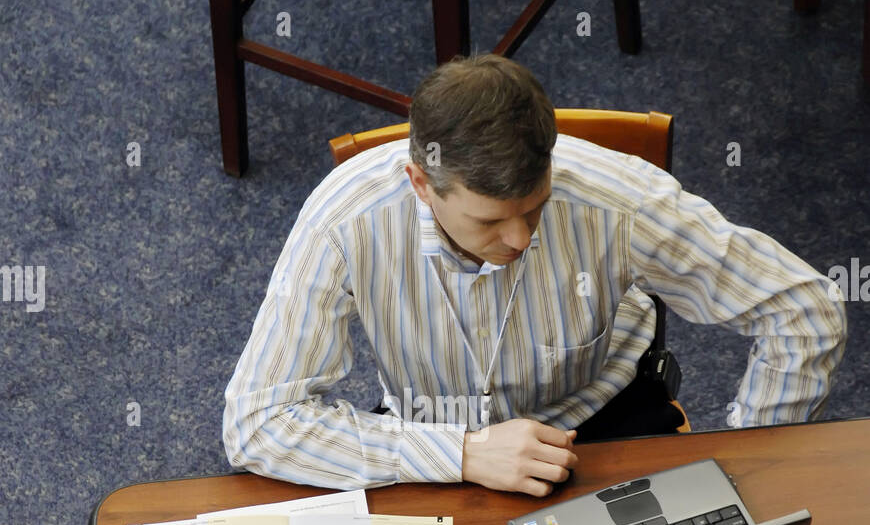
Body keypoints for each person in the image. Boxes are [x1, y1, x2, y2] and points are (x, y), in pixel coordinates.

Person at [223, 54, 846, 497]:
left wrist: (747, 466)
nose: (521, 239)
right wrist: (462, 454)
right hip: (429, 434)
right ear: (422, 184)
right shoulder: (345, 221)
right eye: (491, 219)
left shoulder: (616, 200)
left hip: (604, 423)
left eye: (536, 207)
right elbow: (257, 423)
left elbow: (804, 311)